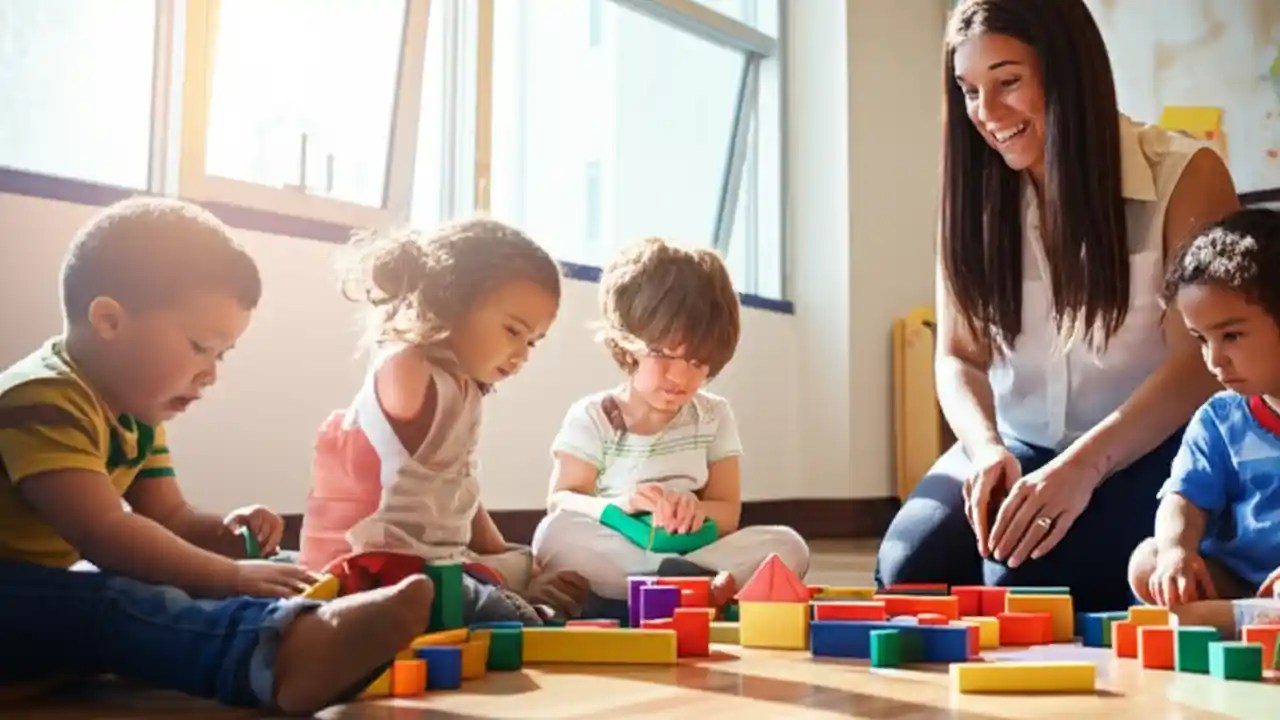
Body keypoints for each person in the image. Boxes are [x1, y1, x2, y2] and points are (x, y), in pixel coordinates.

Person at [875, 0, 1241, 612]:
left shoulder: (1185, 176)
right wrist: (986, 447)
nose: (986, 115)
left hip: (1149, 450)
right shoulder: (975, 199)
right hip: (1019, 443)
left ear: (1068, 70)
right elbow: (958, 357)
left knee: (1021, 589)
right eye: (969, 91)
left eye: (1008, 82)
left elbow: (1198, 364)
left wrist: (1082, 468)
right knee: (908, 570)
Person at [0, 197, 429, 714]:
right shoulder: (41, 400)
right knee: (112, 598)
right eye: (199, 346)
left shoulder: (133, 411)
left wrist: (230, 541)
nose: (210, 373)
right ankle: (278, 657)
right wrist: (230, 577)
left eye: (220, 355)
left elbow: (171, 518)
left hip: (31, 592)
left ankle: (322, 614)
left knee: (265, 568)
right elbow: (106, 534)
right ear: (110, 320)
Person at [298, 218, 588, 623]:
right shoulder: (407, 366)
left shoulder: (464, 387)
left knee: (524, 562)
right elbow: (418, 331)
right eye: (512, 331)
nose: (522, 354)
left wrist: (506, 554)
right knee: (493, 605)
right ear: (453, 300)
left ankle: (520, 593)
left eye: (532, 342)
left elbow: (456, 485)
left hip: (437, 562)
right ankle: (528, 609)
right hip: (375, 568)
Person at [531, 238, 810, 614]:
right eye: (662, 354)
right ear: (627, 343)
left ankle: (653, 592)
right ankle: (687, 589)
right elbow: (562, 499)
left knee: (788, 545)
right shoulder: (593, 415)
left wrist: (697, 509)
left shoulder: (713, 416)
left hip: (696, 550)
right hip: (621, 545)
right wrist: (620, 505)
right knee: (553, 535)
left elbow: (728, 512)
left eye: (697, 362)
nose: (679, 376)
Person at [1128, 209, 1280, 636]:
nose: (1214, 360)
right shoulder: (1218, 418)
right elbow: (1183, 501)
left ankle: (1236, 622)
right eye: (1201, 340)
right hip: (1234, 580)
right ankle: (1249, 618)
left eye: (1231, 336)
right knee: (1148, 559)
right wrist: (1177, 550)